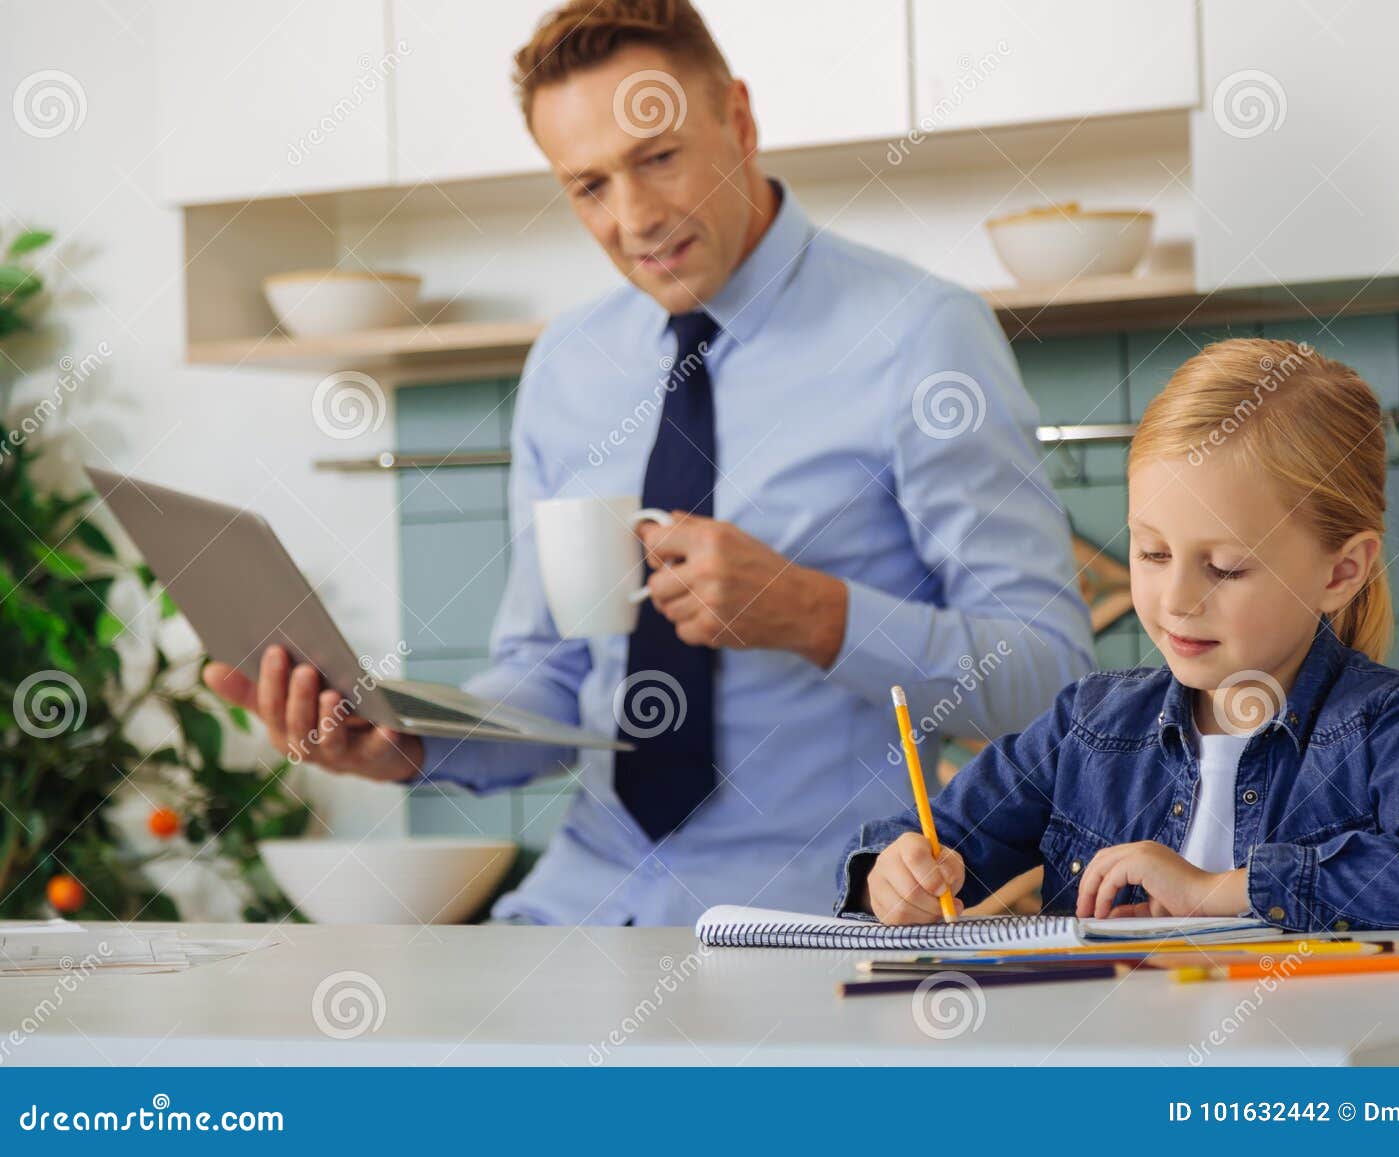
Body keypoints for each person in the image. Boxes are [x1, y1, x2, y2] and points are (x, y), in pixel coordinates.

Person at [204, 0, 1094, 925]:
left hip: (810, 923)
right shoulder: (567, 365)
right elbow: (550, 679)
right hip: (574, 914)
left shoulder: (920, 334)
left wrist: (814, 612)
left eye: (658, 158)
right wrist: (406, 744)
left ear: (739, 120)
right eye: (588, 186)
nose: (634, 219)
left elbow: (1055, 678)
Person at [839, 339, 1399, 932]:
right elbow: (932, 841)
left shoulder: (1382, 724)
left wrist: (1214, 891)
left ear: (1340, 572)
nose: (1179, 599)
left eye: (1225, 567)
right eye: (1153, 554)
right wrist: (892, 876)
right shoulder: (1089, 727)